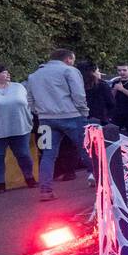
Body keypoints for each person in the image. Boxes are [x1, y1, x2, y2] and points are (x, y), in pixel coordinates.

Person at [25, 49, 88, 201]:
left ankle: (45, 190)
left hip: (46, 120)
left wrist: (39, 112)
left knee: (48, 155)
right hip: (71, 116)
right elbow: (79, 94)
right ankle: (102, 184)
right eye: (72, 60)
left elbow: (29, 99)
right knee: (86, 149)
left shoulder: (33, 76)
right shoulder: (69, 71)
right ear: (67, 59)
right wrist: (83, 111)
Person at [0, 63, 36, 193]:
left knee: (24, 154)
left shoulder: (18, 87)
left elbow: (28, 102)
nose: (7, 74)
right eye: (3, 72)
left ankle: (29, 178)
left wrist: (31, 117)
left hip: (20, 127)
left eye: (7, 71)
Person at [79, 61, 115, 126]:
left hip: (80, 118)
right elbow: (111, 103)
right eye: (98, 71)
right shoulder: (101, 85)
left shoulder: (76, 85)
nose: (99, 73)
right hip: (99, 119)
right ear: (92, 72)